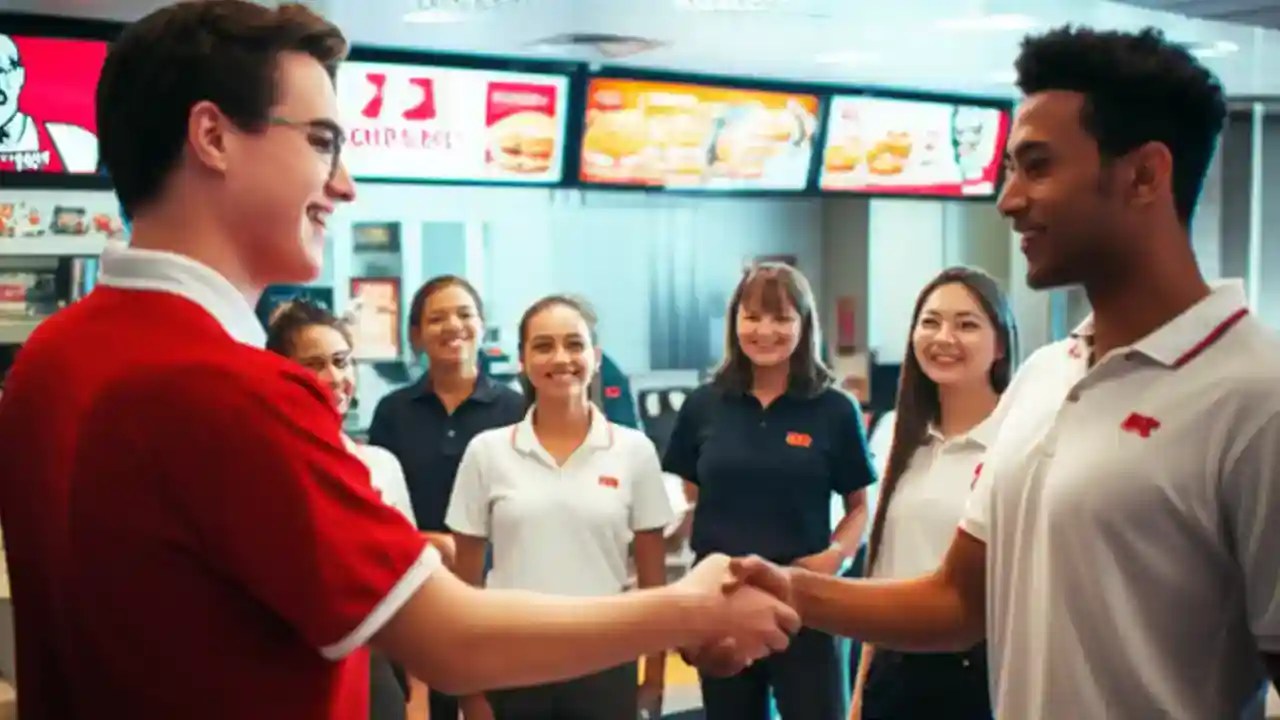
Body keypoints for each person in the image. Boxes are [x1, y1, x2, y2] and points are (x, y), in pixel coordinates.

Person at [0, 3, 799, 718]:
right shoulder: (235, 388)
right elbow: (451, 641)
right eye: (321, 143)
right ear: (211, 136)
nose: (344, 185)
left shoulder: (51, 357)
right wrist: (692, 608)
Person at [715, 25, 1280, 720]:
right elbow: (959, 600)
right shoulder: (1046, 375)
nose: (1009, 199)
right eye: (1011, 169)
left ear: (1144, 175)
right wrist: (789, 592)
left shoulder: (1258, 396)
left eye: (1037, 167)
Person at [664, 262, 875, 720]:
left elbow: (859, 506)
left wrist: (834, 556)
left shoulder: (833, 408)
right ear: (734, 321)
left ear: (804, 325)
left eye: (781, 318)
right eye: (752, 316)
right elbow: (693, 493)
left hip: (805, 602)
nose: (765, 331)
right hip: (723, 603)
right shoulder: (703, 405)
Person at [447, 295, 675, 720]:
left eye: (575, 344)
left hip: (605, 664)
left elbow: (654, 583)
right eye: (543, 346)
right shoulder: (487, 452)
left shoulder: (633, 451)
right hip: (512, 663)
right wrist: (469, 690)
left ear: (596, 355)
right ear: (522, 360)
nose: (561, 358)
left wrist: (654, 678)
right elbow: (465, 588)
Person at [849, 267, 1014, 720]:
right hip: (894, 670)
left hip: (979, 676)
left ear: (1000, 345)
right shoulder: (894, 436)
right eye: (931, 321)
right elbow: (881, 574)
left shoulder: (1020, 441)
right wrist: (859, 696)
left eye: (967, 324)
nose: (944, 337)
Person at [368, 275, 524, 717]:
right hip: (417, 588)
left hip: (498, 589)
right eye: (436, 318)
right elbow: (380, 502)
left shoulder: (516, 409)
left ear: (481, 324)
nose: (452, 325)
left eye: (464, 314)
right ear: (415, 335)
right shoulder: (394, 412)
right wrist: (426, 543)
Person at [265, 299, 416, 720]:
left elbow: (403, 585)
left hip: (375, 663)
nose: (333, 378)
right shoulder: (263, 463)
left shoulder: (379, 465)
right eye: (313, 364)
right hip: (290, 665)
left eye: (340, 361)